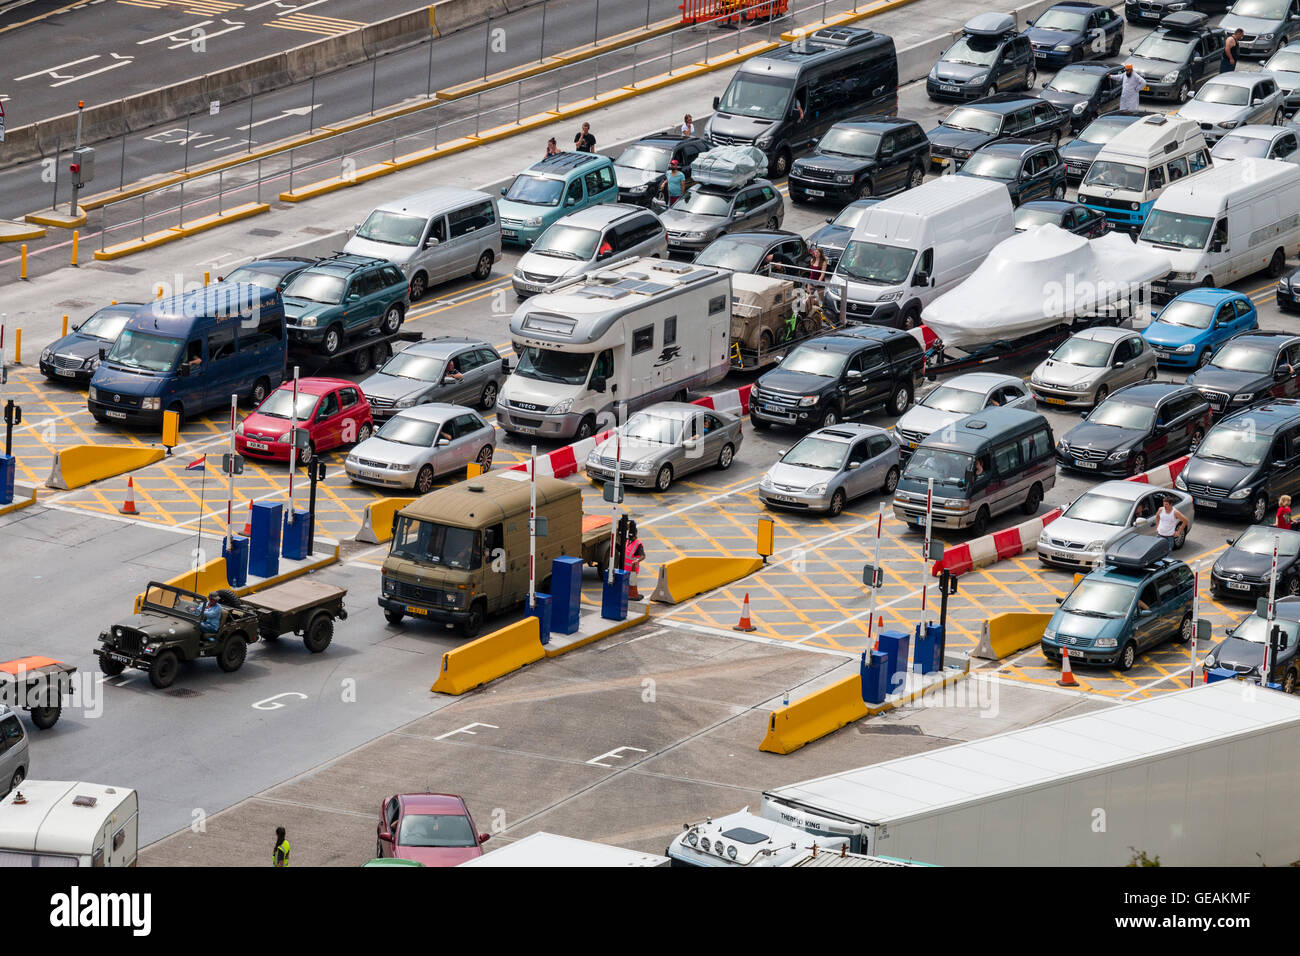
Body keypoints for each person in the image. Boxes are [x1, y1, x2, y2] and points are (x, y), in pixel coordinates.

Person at [624, 519, 645, 601]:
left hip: (632, 570)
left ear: (636, 533)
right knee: (625, 584)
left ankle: (632, 595)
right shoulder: (627, 541)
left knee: (631, 584)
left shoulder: (638, 544)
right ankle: (627, 594)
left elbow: (643, 556)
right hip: (625, 569)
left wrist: (637, 560)